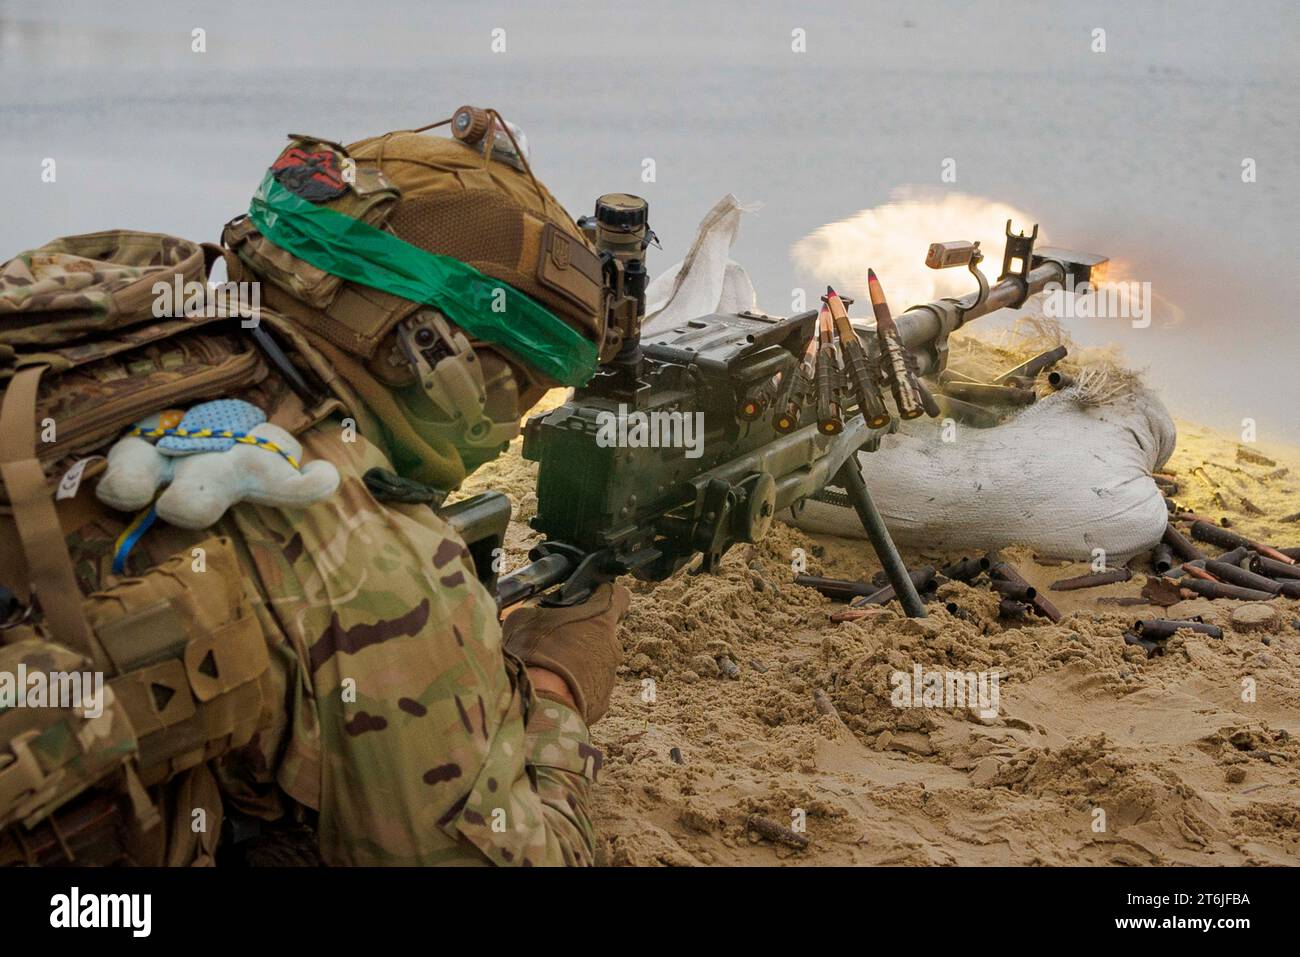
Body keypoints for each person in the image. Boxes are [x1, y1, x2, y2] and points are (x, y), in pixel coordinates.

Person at [0, 108, 629, 866]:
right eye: (526, 382)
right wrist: (558, 683)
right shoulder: (369, 560)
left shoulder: (94, 319)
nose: (514, 422)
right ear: (436, 356)